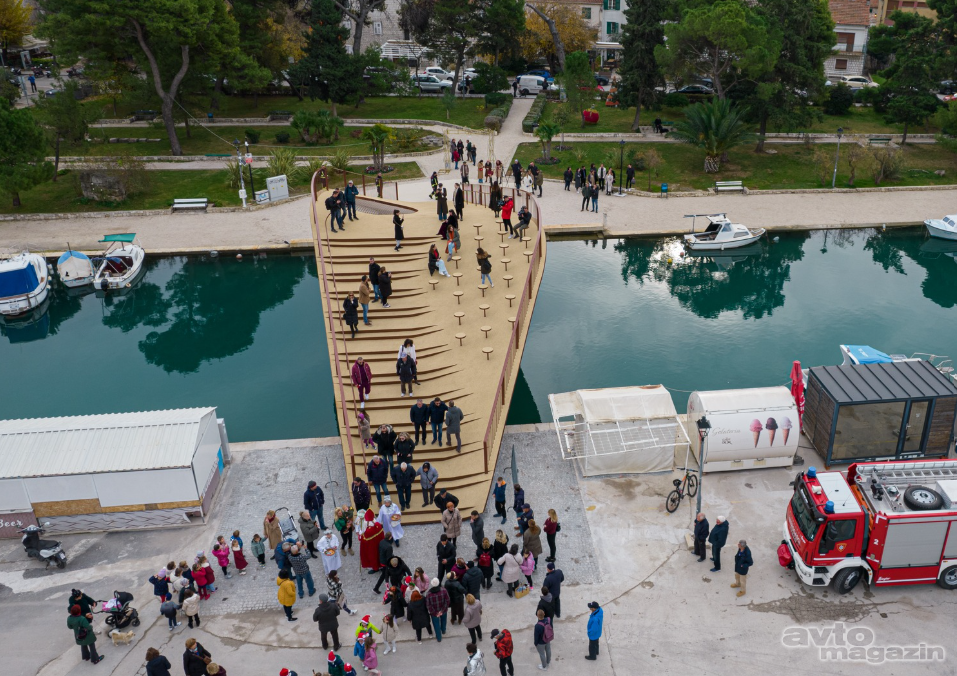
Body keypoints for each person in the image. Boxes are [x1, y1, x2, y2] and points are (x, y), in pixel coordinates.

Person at [359, 508, 385, 573]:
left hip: (371, 547)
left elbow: (363, 539)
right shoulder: (378, 525)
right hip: (380, 545)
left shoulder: (368, 531)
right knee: (380, 555)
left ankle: (375, 568)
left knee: (373, 557)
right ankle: (381, 566)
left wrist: (361, 536)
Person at [425, 577, 450, 641]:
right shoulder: (444, 590)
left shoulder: (428, 593)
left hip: (434, 613)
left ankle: (439, 638)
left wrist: (435, 613)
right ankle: (443, 630)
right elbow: (447, 601)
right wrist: (442, 610)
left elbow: (428, 605)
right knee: (443, 620)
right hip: (443, 610)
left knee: (436, 625)